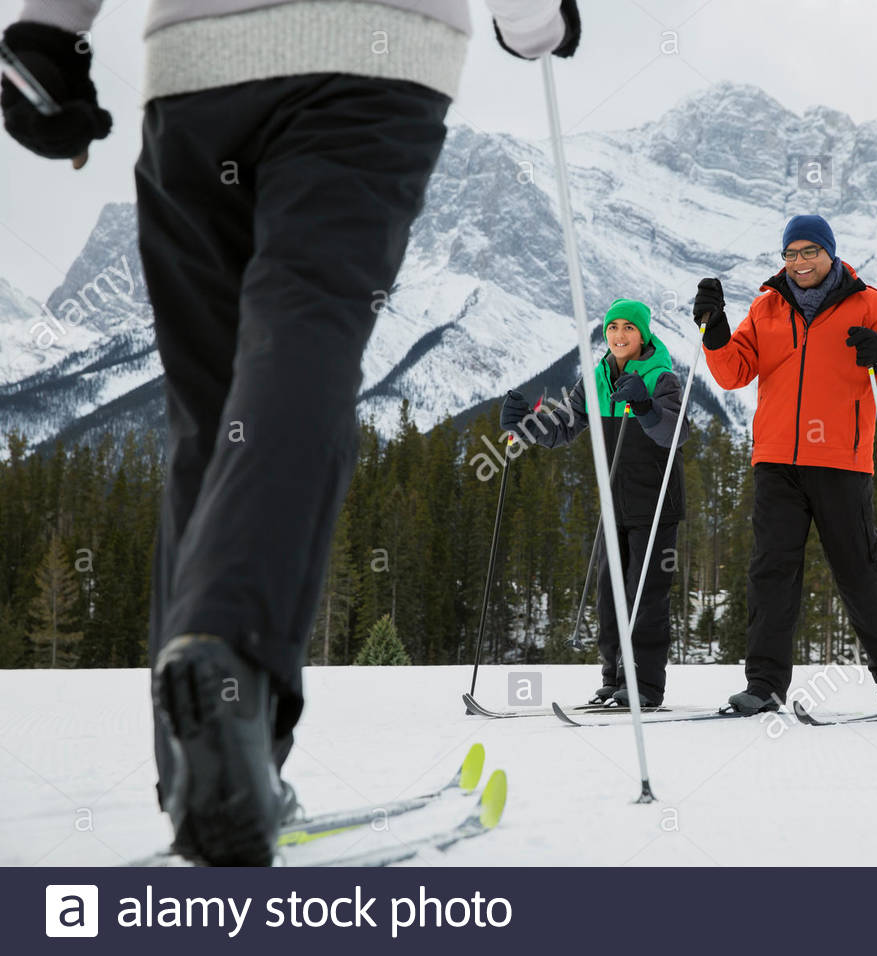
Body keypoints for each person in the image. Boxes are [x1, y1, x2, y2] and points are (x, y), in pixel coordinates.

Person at [2, 0, 580, 866]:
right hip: (370, 53)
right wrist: (534, 16)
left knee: (209, 412)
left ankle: (212, 777)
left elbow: (45, 37)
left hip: (195, 72)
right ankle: (229, 682)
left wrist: (48, 28)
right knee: (304, 338)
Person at [693, 214, 877, 716]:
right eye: (790, 254)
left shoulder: (873, 304)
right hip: (776, 459)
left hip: (841, 460)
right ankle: (764, 686)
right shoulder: (767, 306)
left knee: (857, 570)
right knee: (770, 572)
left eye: (809, 252)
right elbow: (734, 373)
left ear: (830, 253)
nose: (799, 262)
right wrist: (715, 331)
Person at [501, 298, 688, 709]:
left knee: (645, 595)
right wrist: (525, 425)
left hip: (655, 505)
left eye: (629, 328)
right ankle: (613, 678)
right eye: (613, 327)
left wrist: (644, 405)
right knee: (609, 593)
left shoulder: (661, 379)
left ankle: (644, 685)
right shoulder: (596, 379)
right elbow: (564, 426)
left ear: (644, 334)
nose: (619, 335)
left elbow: (676, 433)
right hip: (612, 505)